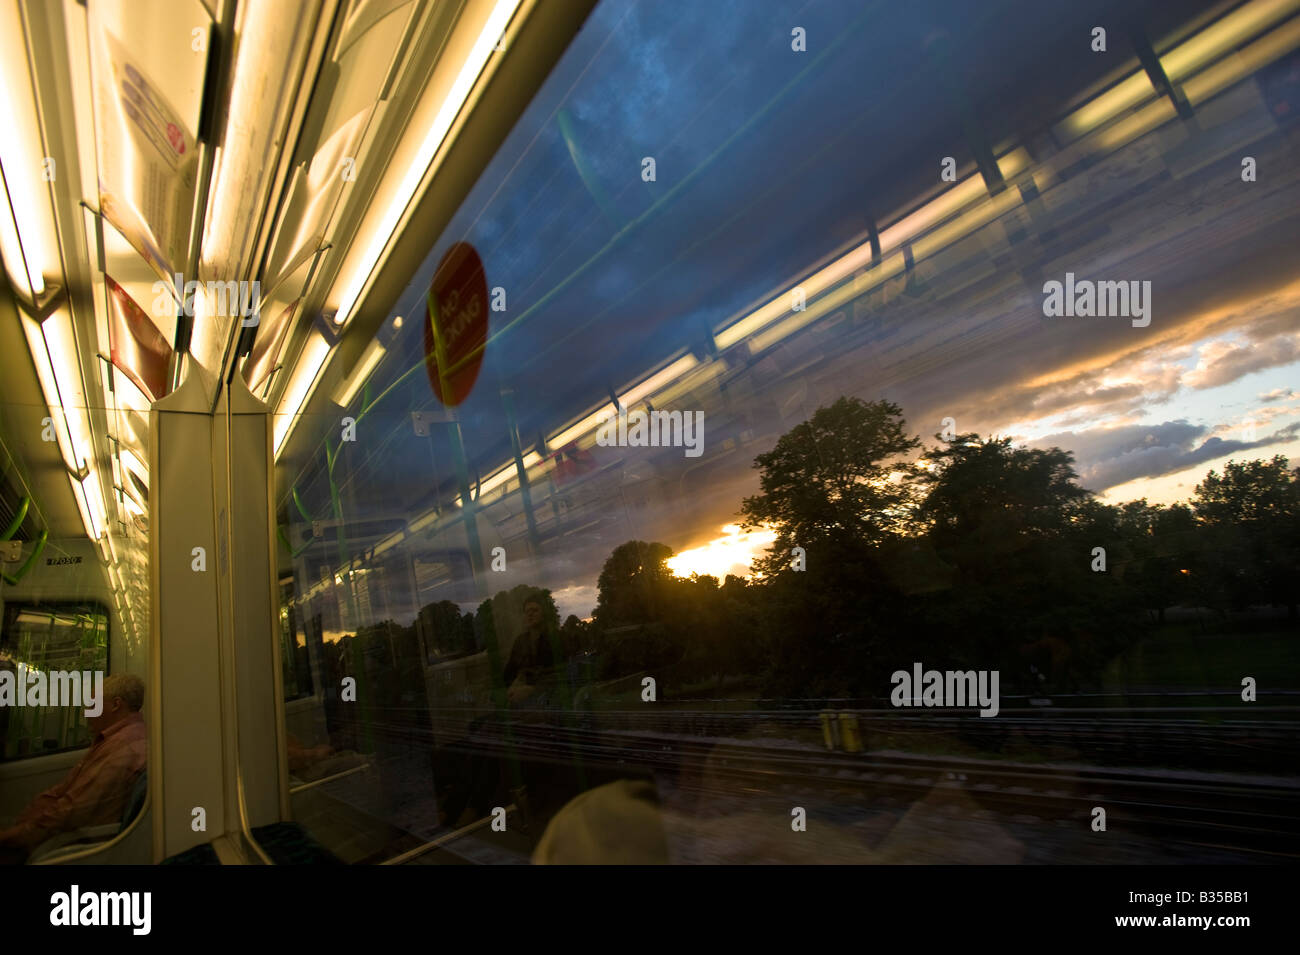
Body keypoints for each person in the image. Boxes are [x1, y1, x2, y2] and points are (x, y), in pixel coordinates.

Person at [0, 672, 148, 863]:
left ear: (116, 705)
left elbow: (69, 812)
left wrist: (13, 836)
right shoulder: (112, 740)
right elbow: (62, 793)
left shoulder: (124, 751)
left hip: (73, 843)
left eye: (92, 705)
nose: (86, 713)